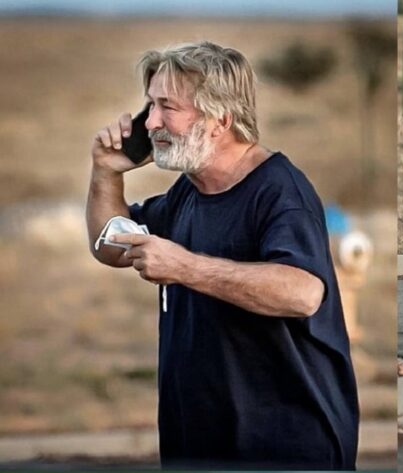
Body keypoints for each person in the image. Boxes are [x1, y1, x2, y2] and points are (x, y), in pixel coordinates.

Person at [86, 41, 359, 470]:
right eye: (149, 106)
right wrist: (105, 171)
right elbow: (111, 244)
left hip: (284, 447)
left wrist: (185, 267)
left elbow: (303, 292)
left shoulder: (280, 191)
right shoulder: (189, 192)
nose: (151, 121)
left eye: (167, 107)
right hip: (197, 442)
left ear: (221, 119)